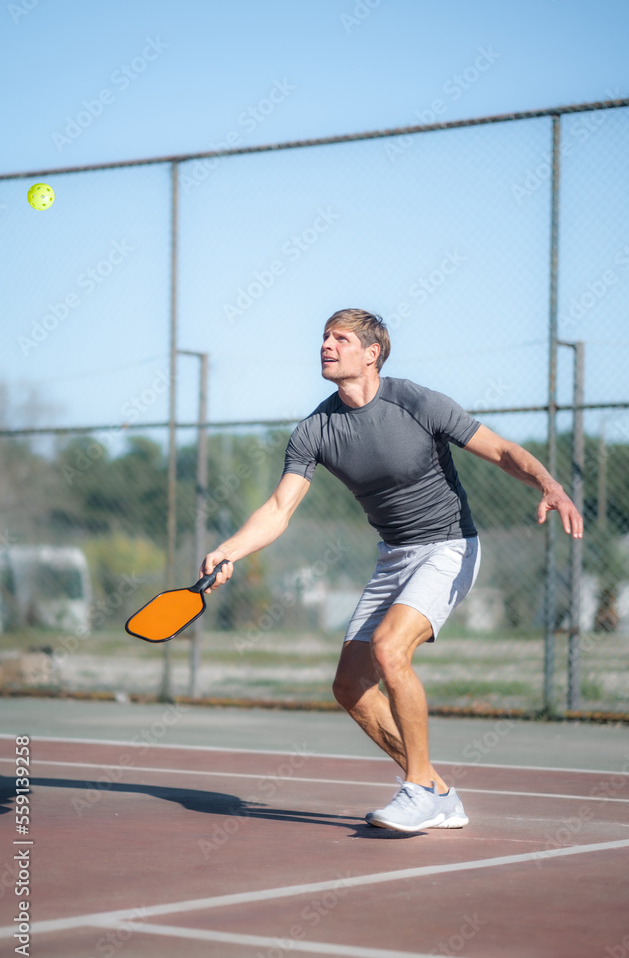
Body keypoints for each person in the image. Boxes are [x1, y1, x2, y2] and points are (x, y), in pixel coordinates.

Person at [201, 309, 583, 833]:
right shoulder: (314, 430)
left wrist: (549, 485)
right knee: (350, 686)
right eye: (324, 337)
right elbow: (278, 509)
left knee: (388, 648)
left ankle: (419, 789)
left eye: (340, 339)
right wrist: (230, 550)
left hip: (449, 547)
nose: (326, 346)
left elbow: (500, 450)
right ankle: (436, 792)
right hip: (394, 556)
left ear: (371, 353)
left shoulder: (417, 402)